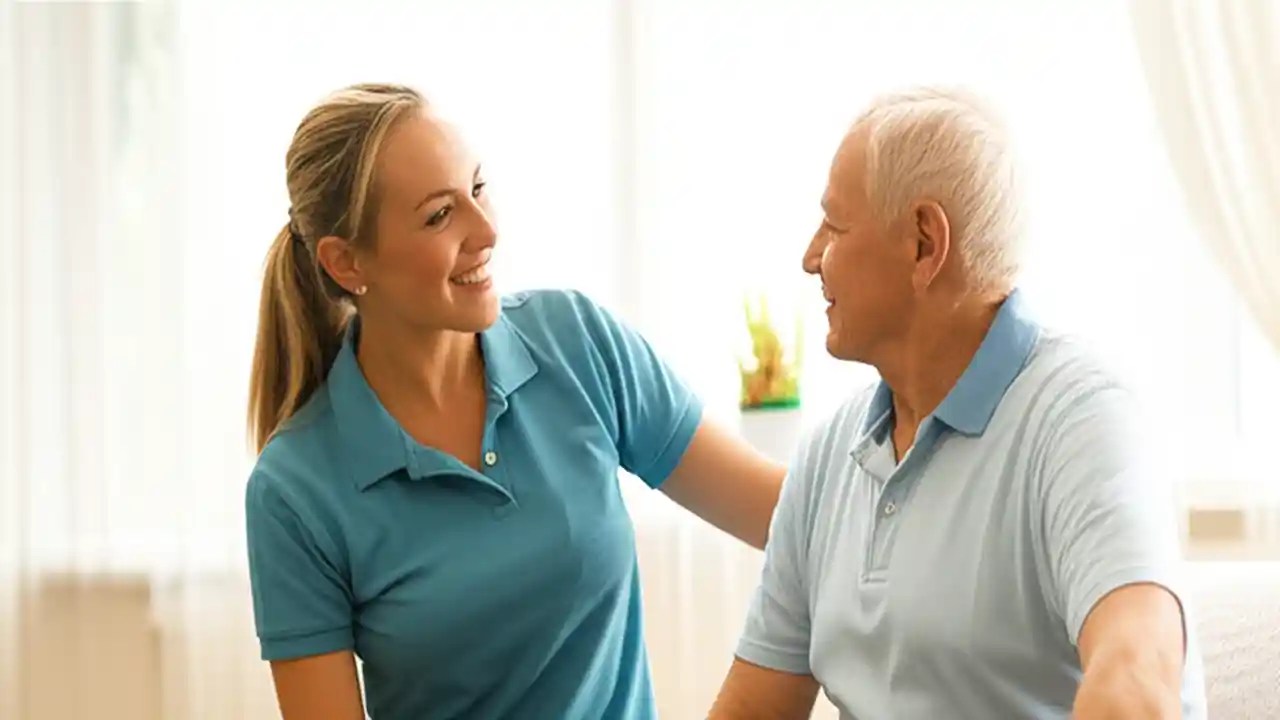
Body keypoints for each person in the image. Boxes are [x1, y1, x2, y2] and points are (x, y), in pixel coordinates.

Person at [244, 82, 784, 720]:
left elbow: (785, 518)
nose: (487, 229)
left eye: (476, 188)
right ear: (345, 263)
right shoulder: (294, 491)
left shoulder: (577, 343)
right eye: (439, 215)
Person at [709, 87, 1207, 719]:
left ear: (923, 242)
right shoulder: (830, 455)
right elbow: (751, 708)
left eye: (834, 226)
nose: (810, 258)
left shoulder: (1081, 420)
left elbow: (1138, 683)